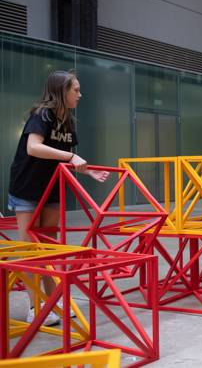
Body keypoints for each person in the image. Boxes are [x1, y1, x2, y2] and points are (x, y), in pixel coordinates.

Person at [8, 70, 109, 326]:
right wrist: (71, 157)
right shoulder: (42, 114)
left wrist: (88, 171)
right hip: (27, 187)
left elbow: (67, 159)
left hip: (51, 188)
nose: (80, 95)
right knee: (31, 250)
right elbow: (33, 147)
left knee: (49, 247)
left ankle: (53, 301)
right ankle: (35, 307)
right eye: (76, 90)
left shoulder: (68, 122)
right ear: (61, 91)